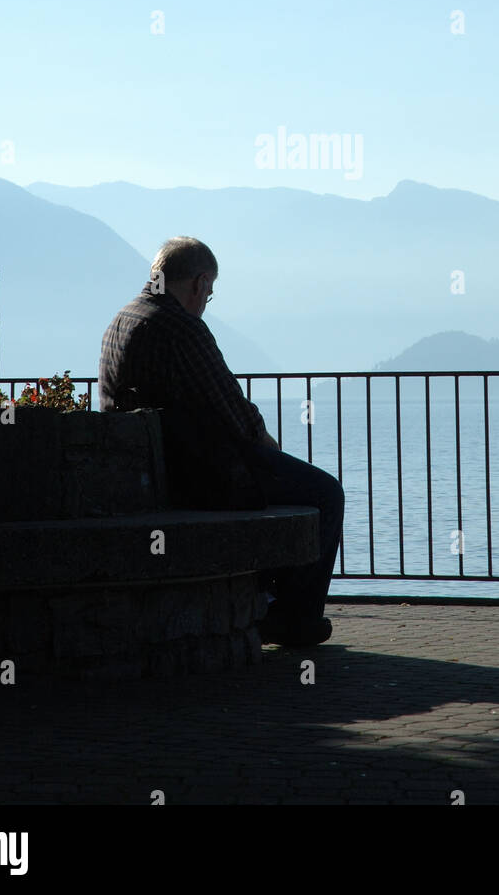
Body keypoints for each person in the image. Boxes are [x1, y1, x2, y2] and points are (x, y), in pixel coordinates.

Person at [98, 236, 345, 647]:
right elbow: (226, 401)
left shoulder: (123, 318)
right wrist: (266, 441)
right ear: (197, 282)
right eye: (208, 293)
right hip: (200, 472)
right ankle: (294, 616)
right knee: (324, 492)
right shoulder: (178, 325)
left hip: (156, 470)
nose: (205, 301)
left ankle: (270, 599)